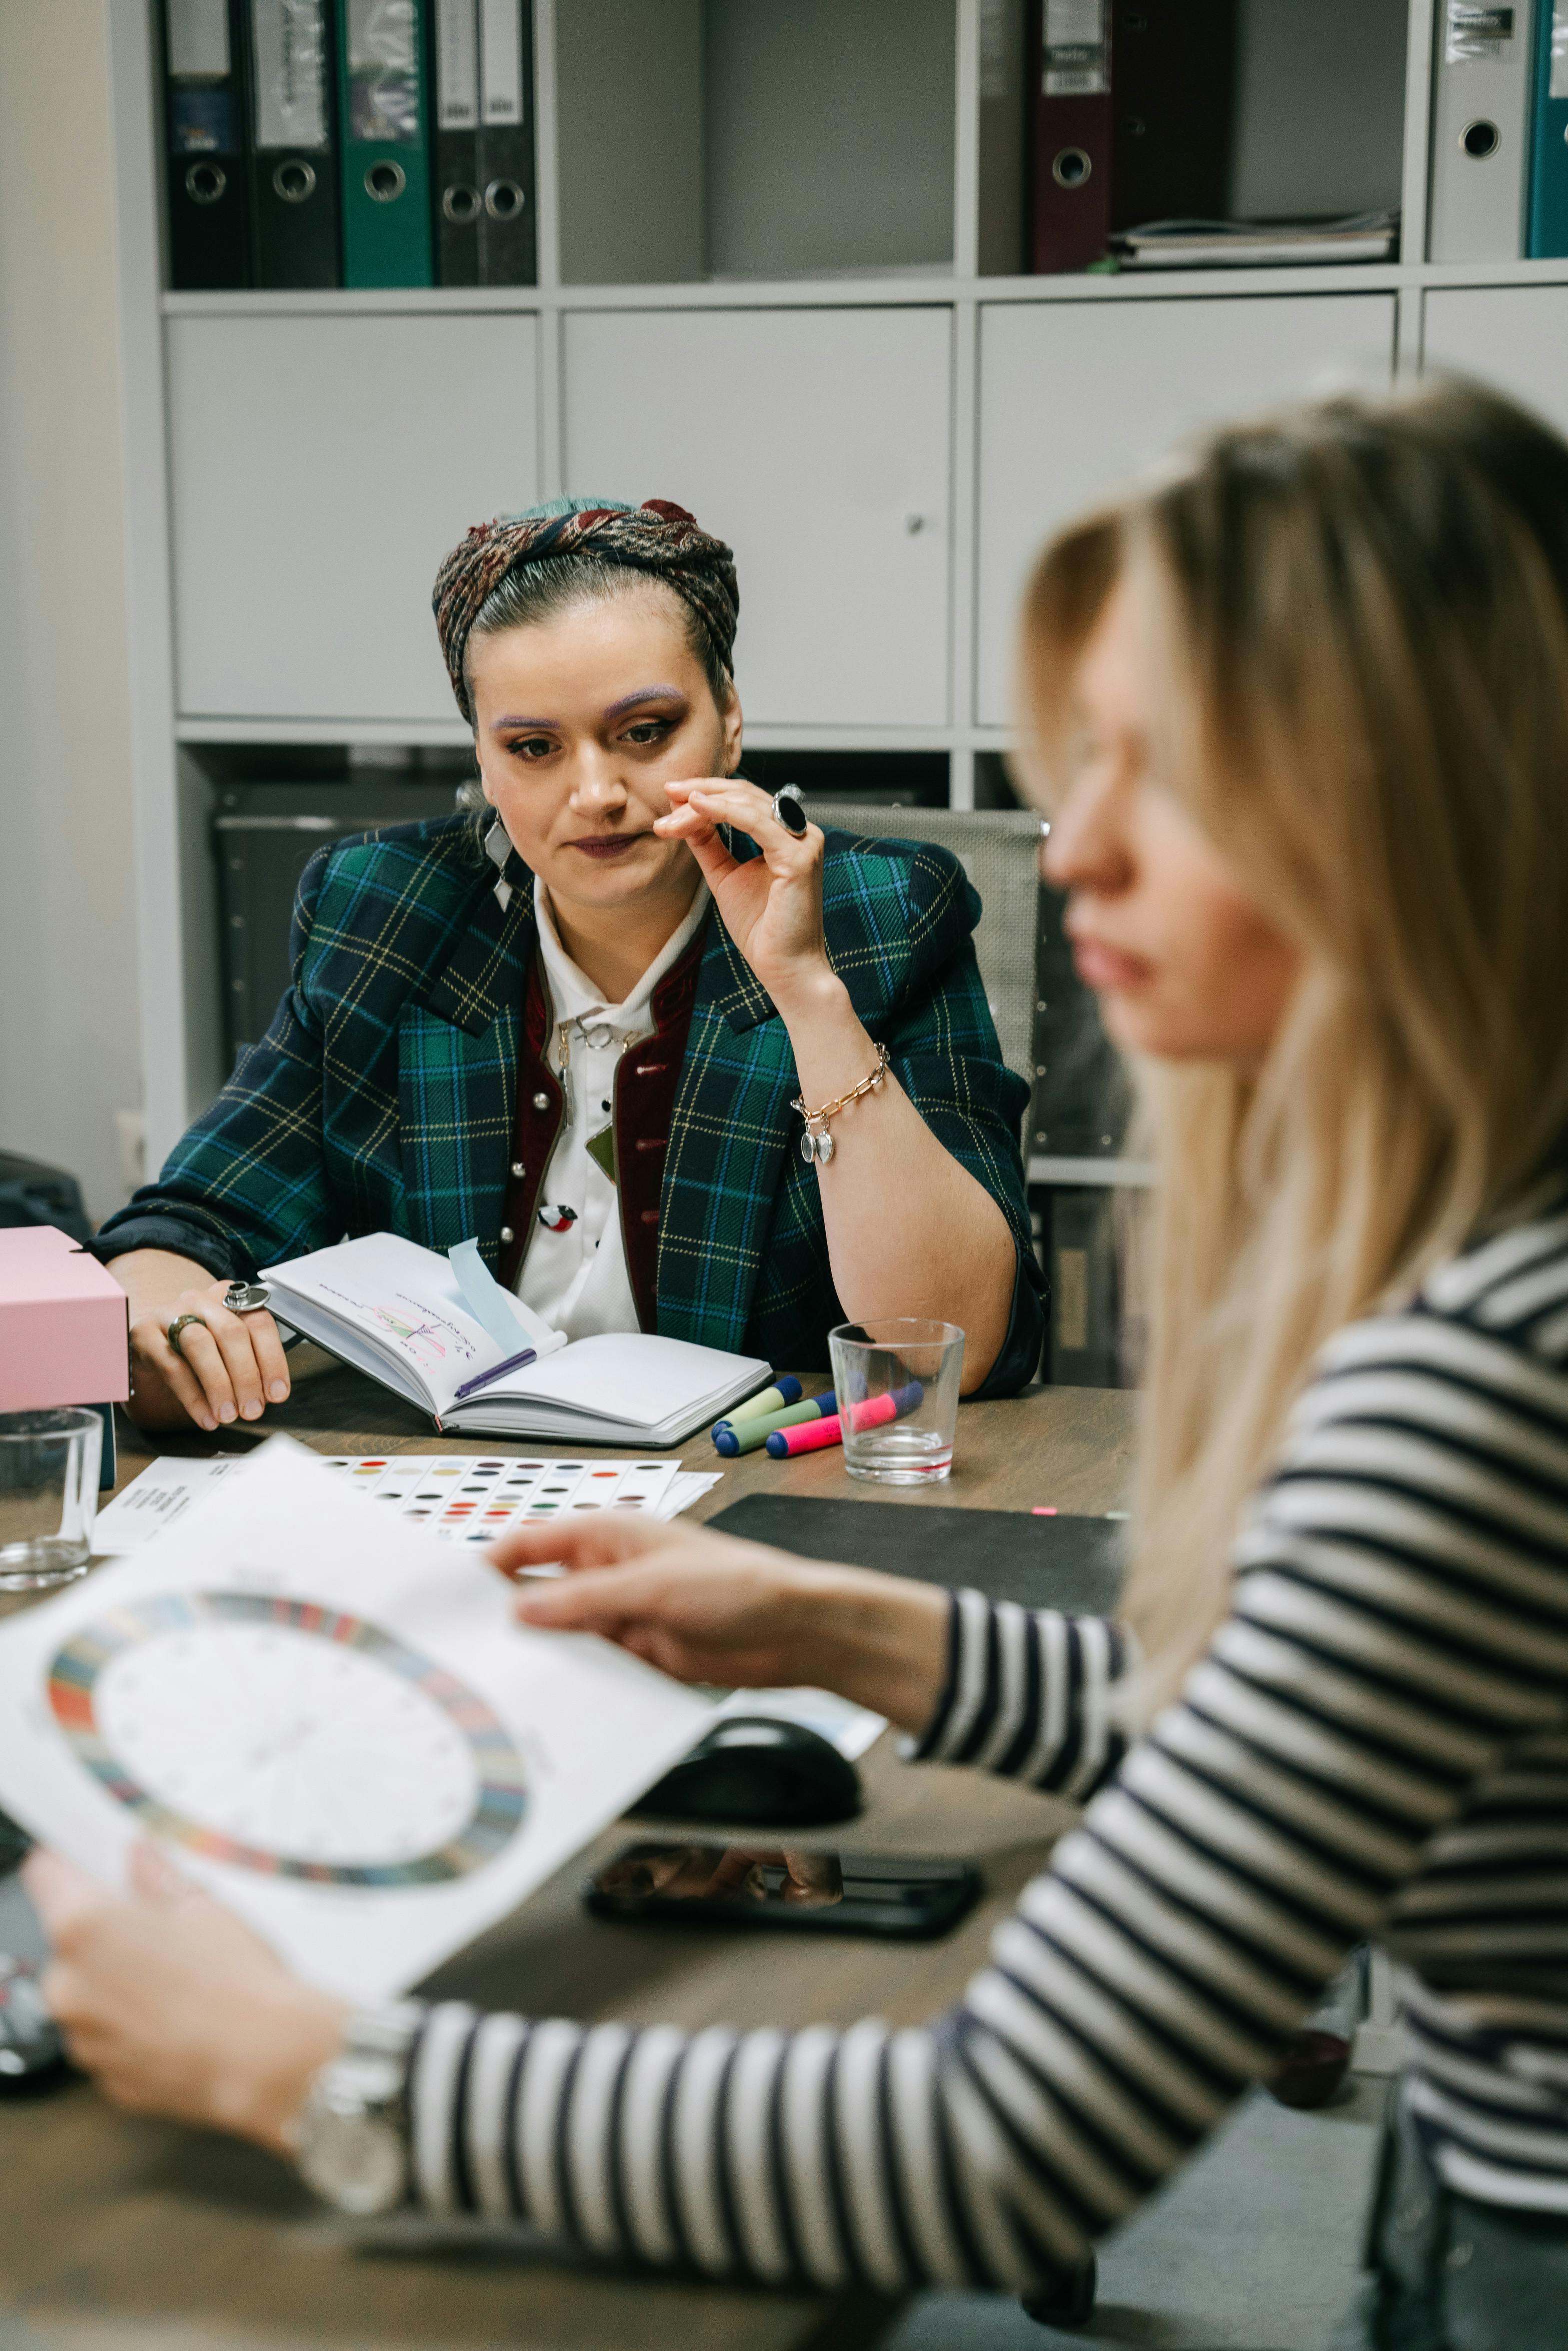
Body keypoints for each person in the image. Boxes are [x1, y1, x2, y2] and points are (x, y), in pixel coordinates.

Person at [35, 381, 1568, 2347]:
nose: (1072, 846)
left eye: (1160, 773)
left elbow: (996, 2131)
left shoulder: (1461, 1376)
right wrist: (855, 1634)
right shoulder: (1493, 1268)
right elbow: (1296, 1729)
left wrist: (303, 2062)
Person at [93, 496, 1041, 1430]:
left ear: (731, 721)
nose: (595, 794)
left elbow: (953, 1346)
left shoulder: (877, 917)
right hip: (458, 1505)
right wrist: (158, 1305)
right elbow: (191, 1222)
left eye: (643, 733)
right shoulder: (388, 911)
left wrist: (808, 995)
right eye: (535, 747)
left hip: (753, 1504)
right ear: (483, 756)